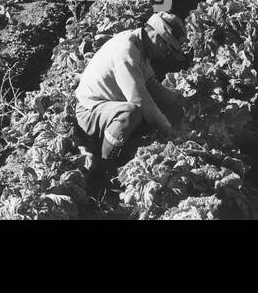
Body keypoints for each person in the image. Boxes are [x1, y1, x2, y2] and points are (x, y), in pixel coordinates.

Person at [75, 12, 189, 185]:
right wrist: (167, 128)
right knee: (131, 113)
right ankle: (107, 169)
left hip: (112, 103)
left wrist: (176, 99)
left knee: (157, 112)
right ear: (156, 36)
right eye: (167, 49)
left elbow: (150, 84)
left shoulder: (140, 45)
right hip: (91, 110)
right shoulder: (126, 51)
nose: (166, 54)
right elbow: (139, 99)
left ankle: (124, 145)